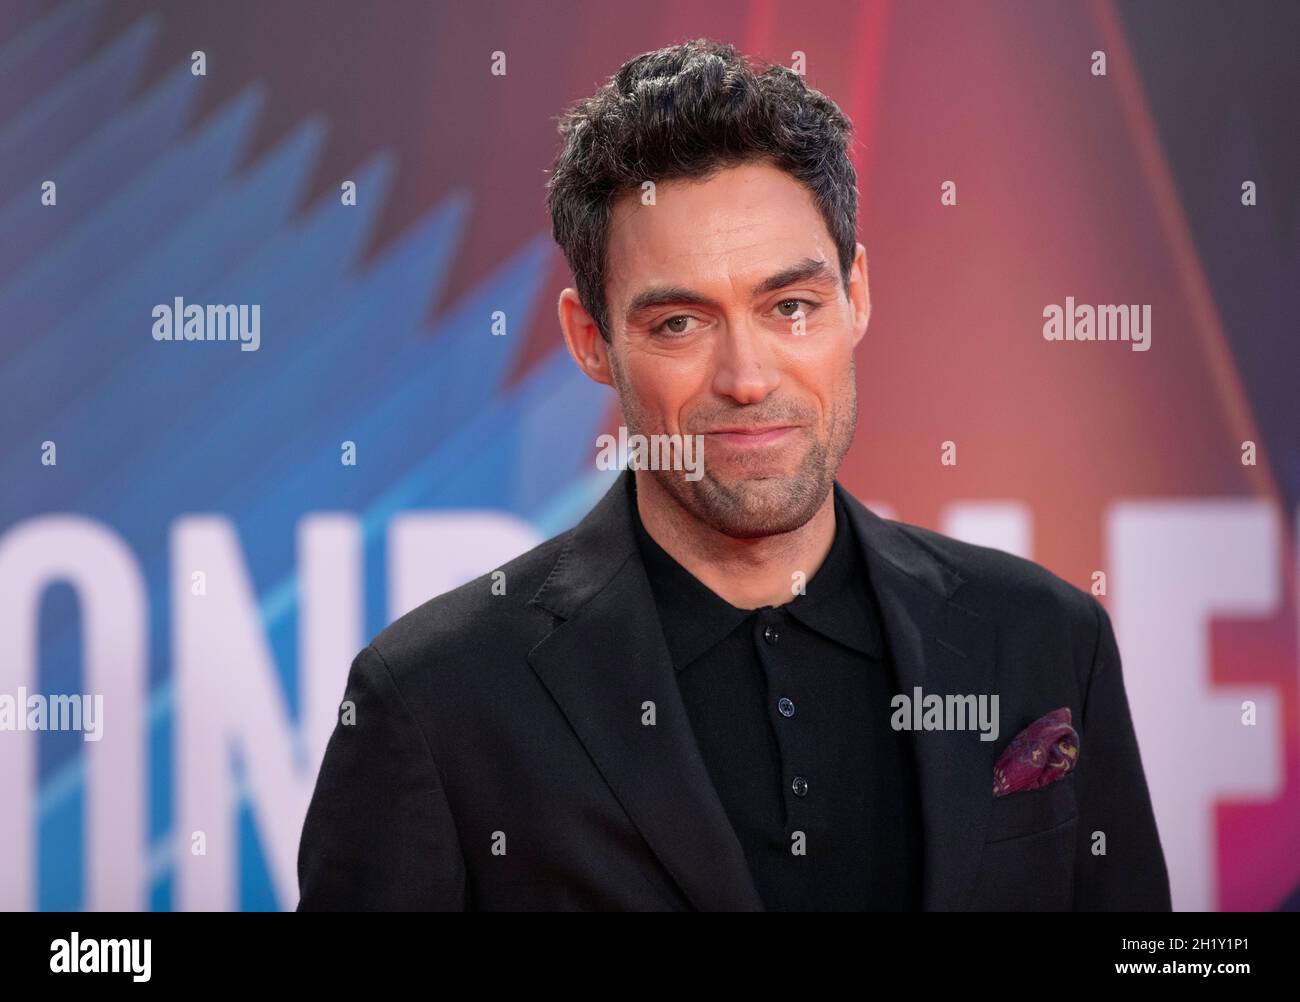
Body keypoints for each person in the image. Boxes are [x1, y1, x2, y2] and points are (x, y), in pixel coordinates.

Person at [296, 38, 1170, 911]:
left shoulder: (1045, 639)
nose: (748, 379)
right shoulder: (434, 700)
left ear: (855, 294)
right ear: (590, 340)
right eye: (679, 323)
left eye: (790, 306)